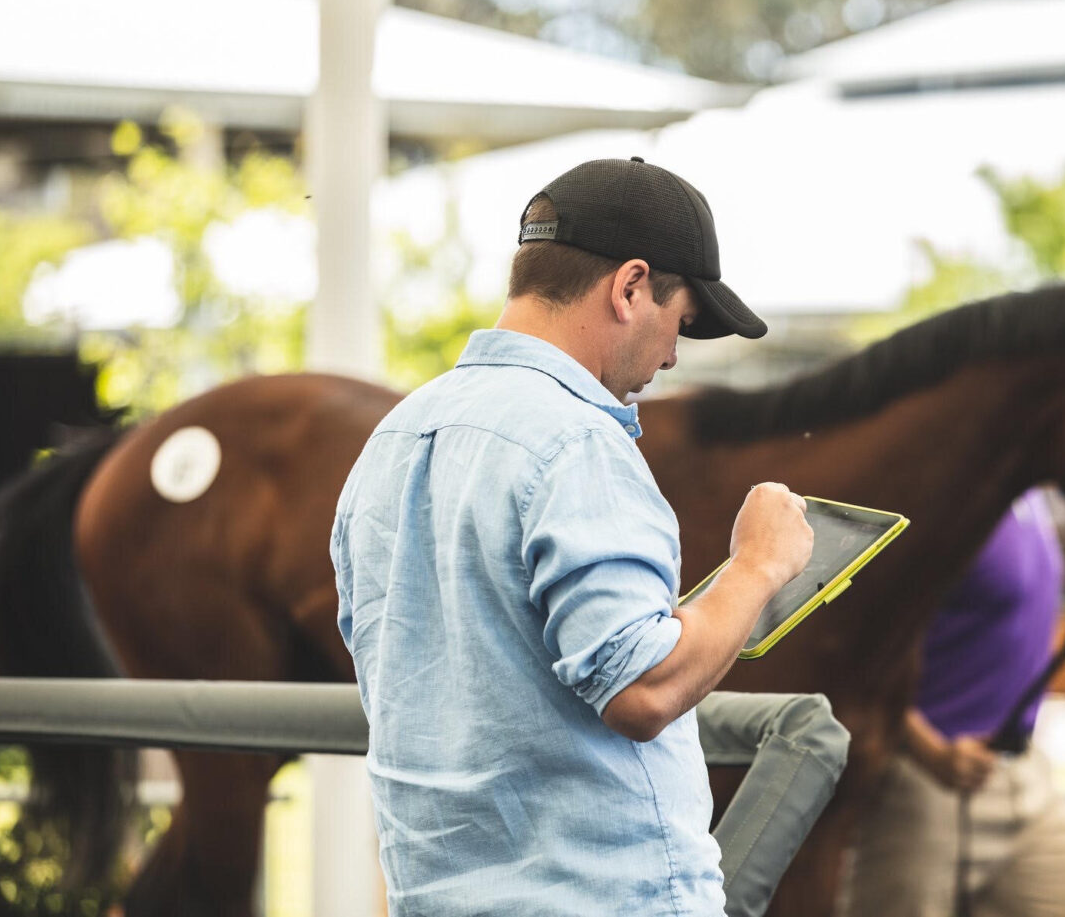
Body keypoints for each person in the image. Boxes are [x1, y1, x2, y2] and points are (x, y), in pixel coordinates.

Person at [332, 157, 845, 917]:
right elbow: (641, 688)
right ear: (631, 286)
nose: (672, 356)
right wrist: (758, 565)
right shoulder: (576, 442)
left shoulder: (395, 438)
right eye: (681, 323)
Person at [843, 489, 1065, 917]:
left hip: (1023, 770)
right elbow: (859, 645)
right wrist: (931, 752)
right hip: (926, 781)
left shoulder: (1030, 491)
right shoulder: (942, 492)